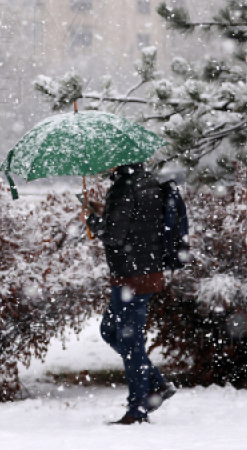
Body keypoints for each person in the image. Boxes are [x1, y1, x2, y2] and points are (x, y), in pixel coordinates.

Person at [85, 163, 176, 424]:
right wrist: (105, 212)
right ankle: (156, 384)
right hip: (146, 271)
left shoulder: (123, 188)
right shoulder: (147, 182)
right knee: (111, 332)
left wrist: (91, 220)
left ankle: (138, 409)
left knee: (130, 342)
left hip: (131, 277)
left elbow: (114, 237)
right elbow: (137, 223)